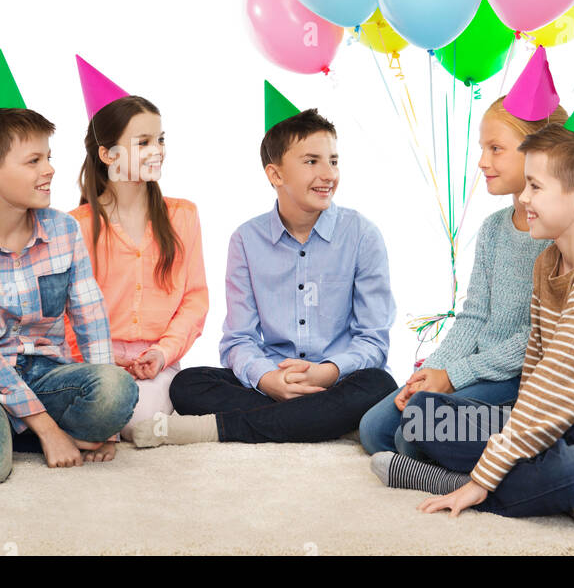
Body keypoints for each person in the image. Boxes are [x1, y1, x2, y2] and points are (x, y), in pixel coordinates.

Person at [372, 57, 574, 526]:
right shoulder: (550, 261)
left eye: (536, 187)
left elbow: (555, 388)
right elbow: (535, 381)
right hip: (567, 424)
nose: (523, 198)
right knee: (424, 415)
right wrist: (495, 428)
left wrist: (482, 477)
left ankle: (489, 484)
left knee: (572, 468)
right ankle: (545, 488)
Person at [132, 81, 397, 446]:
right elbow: (238, 338)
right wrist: (269, 380)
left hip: (337, 378)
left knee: (379, 384)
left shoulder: (362, 235)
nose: (329, 174)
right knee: (188, 384)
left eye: (333, 161)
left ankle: (221, 429)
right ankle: (320, 419)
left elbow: (373, 340)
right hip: (271, 380)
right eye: (312, 161)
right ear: (275, 175)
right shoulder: (246, 240)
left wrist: (325, 373)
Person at [0, 50, 137, 485]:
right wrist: (49, 429)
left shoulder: (63, 230)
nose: (50, 170)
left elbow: (90, 319)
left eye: (49, 157)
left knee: (118, 389)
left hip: (44, 371)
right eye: (34, 161)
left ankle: (12, 427)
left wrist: (104, 426)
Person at [359, 48, 569, 456]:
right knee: (375, 430)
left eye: (495, 149)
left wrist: (455, 376)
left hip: (521, 379)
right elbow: (473, 316)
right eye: (482, 148)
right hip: (476, 370)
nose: (482, 162)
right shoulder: (493, 231)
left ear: (536, 153)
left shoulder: (558, 237)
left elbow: (538, 339)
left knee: (414, 431)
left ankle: (536, 441)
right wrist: (435, 370)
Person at [63, 56, 208, 441]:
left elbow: (194, 300)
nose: (157, 149)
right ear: (108, 155)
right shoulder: (75, 226)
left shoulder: (183, 217)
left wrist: (162, 353)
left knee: (144, 413)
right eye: (143, 142)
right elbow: (63, 313)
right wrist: (101, 358)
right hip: (93, 363)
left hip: (159, 363)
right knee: (116, 405)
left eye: (161, 139)